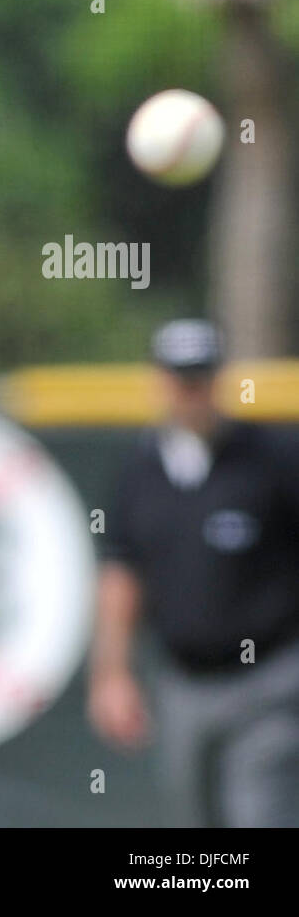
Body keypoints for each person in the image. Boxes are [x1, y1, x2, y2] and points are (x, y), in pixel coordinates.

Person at [87, 318, 299, 826]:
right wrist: (112, 674)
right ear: (159, 380)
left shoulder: (272, 459)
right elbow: (123, 571)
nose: (190, 391)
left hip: (269, 682)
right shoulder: (141, 468)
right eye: (180, 377)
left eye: (200, 376)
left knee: (260, 813)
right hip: (183, 684)